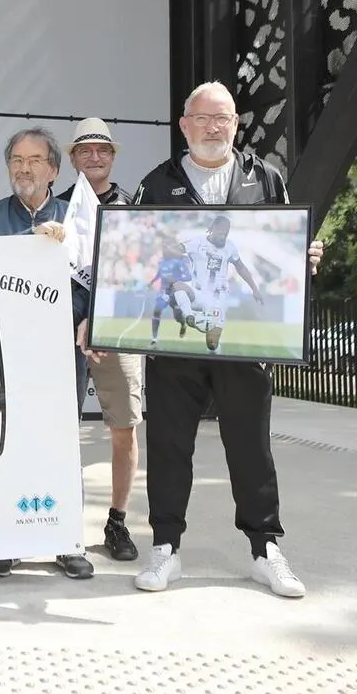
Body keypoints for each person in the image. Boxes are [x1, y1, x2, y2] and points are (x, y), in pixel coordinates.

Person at [132, 80, 324, 597]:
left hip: (241, 340)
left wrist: (303, 257)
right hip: (178, 343)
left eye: (224, 118)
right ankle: (166, 547)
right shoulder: (157, 183)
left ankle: (265, 547)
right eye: (203, 118)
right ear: (184, 125)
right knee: (169, 442)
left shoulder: (267, 179)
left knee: (250, 444)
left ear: (236, 124)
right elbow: (146, 255)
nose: (214, 127)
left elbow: (279, 248)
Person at [0, 126, 95, 580]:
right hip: (5, 353)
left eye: (35, 160)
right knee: (4, 443)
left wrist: (82, 318)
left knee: (62, 445)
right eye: (16, 161)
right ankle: (7, 539)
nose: (24, 168)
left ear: (54, 170)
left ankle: (67, 540)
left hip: (63, 352)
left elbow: (95, 282)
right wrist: (33, 247)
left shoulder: (77, 218)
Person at [57, 118, 142, 561]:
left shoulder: (133, 206)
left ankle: (117, 522)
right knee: (58, 429)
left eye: (103, 150)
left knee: (124, 428)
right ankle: (62, 523)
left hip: (118, 330)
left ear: (113, 157)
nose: (94, 156)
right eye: (85, 149)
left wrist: (101, 317)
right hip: (64, 332)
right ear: (72, 158)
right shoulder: (57, 209)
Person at [178, 215, 263, 353]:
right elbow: (179, 248)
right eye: (220, 233)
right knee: (178, 287)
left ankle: (209, 338)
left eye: (226, 233)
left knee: (212, 344)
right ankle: (189, 317)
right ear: (212, 229)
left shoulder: (230, 246)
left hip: (218, 296)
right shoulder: (198, 242)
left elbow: (240, 267)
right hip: (198, 292)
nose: (223, 236)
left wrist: (254, 288)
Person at [148, 234, 195, 344]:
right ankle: (154, 339)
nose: (164, 250)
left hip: (175, 292)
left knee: (177, 316)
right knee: (157, 311)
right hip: (163, 291)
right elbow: (160, 273)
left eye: (166, 248)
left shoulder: (179, 262)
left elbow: (188, 276)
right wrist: (152, 282)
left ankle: (182, 323)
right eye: (163, 248)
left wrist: (174, 279)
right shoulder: (162, 261)